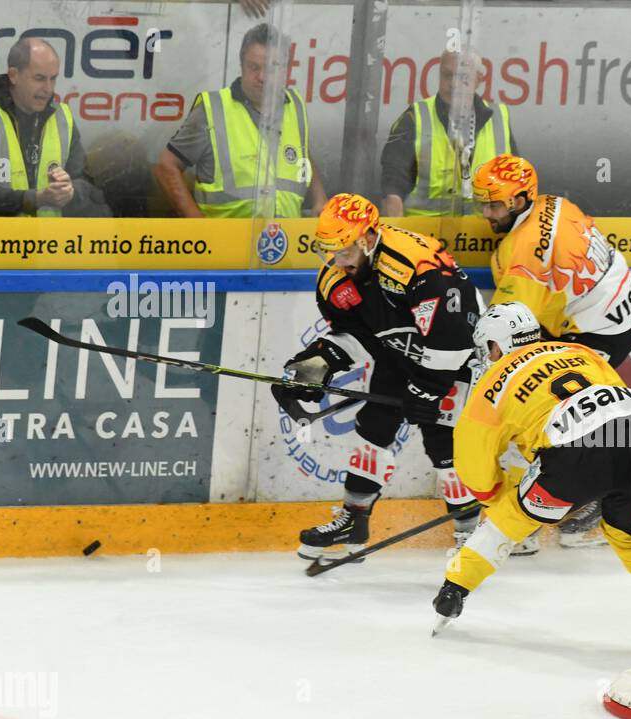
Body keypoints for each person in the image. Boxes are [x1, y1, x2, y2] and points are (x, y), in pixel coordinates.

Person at [431, 302, 631, 643]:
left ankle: (455, 588)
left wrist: (500, 494)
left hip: (573, 458)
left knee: (509, 519)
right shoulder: (579, 351)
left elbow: (472, 457)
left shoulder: (493, 381)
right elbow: (616, 403)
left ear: (496, 345)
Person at [273, 194, 481, 561]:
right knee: (374, 428)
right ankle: (354, 521)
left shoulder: (418, 266)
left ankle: (471, 535)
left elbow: (454, 337)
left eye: (345, 250)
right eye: (329, 251)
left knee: (445, 444)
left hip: (457, 358)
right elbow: (359, 333)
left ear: (367, 239)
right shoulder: (337, 279)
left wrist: (428, 388)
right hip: (399, 354)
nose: (337, 261)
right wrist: (320, 362)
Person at [471, 153, 631, 549]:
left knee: (543, 415)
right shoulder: (554, 202)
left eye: (494, 204)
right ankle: (576, 505)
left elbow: (506, 338)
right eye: (482, 202)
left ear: (520, 200)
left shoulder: (520, 255)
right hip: (615, 314)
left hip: (599, 334)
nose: (486, 212)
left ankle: (531, 524)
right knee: (572, 421)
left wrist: (479, 383)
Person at [154, 23, 326, 218]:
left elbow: (302, 155)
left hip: (282, 241)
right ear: (241, 65)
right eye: (254, 67)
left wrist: (320, 198)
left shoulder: (294, 105)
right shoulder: (213, 109)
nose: (262, 77)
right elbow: (166, 167)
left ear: (286, 68)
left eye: (271, 68)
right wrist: (198, 227)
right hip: (225, 243)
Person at [0, 38, 98, 216]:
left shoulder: (62, 118)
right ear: (14, 75)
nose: (48, 88)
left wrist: (69, 190)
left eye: (53, 79)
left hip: (46, 242)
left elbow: (85, 183)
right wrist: (36, 199)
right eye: (39, 78)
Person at [380, 51, 516, 218]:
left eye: (462, 77)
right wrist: (397, 237)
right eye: (447, 75)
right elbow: (392, 186)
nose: (453, 84)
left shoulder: (499, 117)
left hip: (483, 238)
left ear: (479, 80)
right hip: (424, 237)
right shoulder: (415, 117)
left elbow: (516, 184)